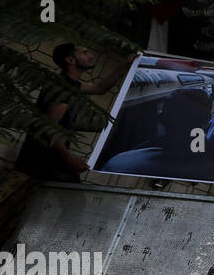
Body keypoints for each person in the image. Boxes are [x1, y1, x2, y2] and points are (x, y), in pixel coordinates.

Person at [15, 43, 132, 183]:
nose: (91, 56)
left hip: (51, 161)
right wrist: (68, 158)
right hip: (40, 163)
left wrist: (124, 65)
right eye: (85, 52)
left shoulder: (71, 84)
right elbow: (49, 128)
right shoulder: (62, 87)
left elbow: (99, 88)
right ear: (70, 60)